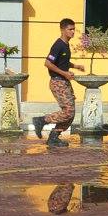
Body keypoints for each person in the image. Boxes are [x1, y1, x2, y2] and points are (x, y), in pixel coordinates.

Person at [34, 18, 85, 147]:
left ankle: (53, 138)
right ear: (62, 29)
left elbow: (62, 62)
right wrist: (65, 73)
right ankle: (42, 120)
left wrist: (75, 66)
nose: (73, 32)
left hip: (64, 82)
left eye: (74, 29)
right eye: (70, 29)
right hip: (58, 82)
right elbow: (48, 63)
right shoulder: (58, 45)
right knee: (68, 112)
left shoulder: (66, 45)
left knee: (70, 114)